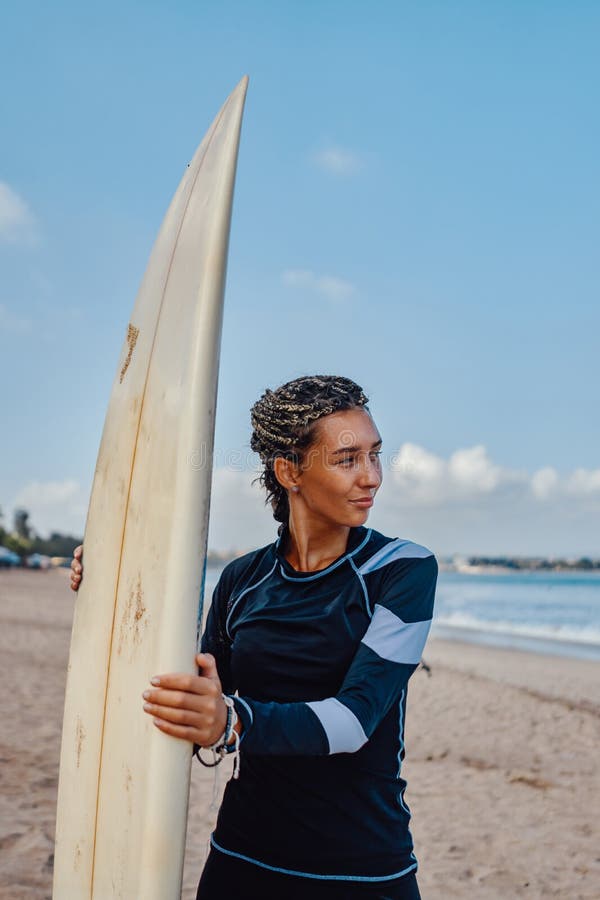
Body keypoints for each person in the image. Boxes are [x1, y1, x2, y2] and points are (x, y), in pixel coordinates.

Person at [70, 375, 437, 900]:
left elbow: (355, 719)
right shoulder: (243, 581)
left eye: (376, 455)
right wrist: (111, 587)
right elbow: (191, 697)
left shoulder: (400, 569)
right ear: (290, 471)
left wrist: (233, 720)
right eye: (347, 459)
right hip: (243, 861)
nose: (372, 477)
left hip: (362, 870)